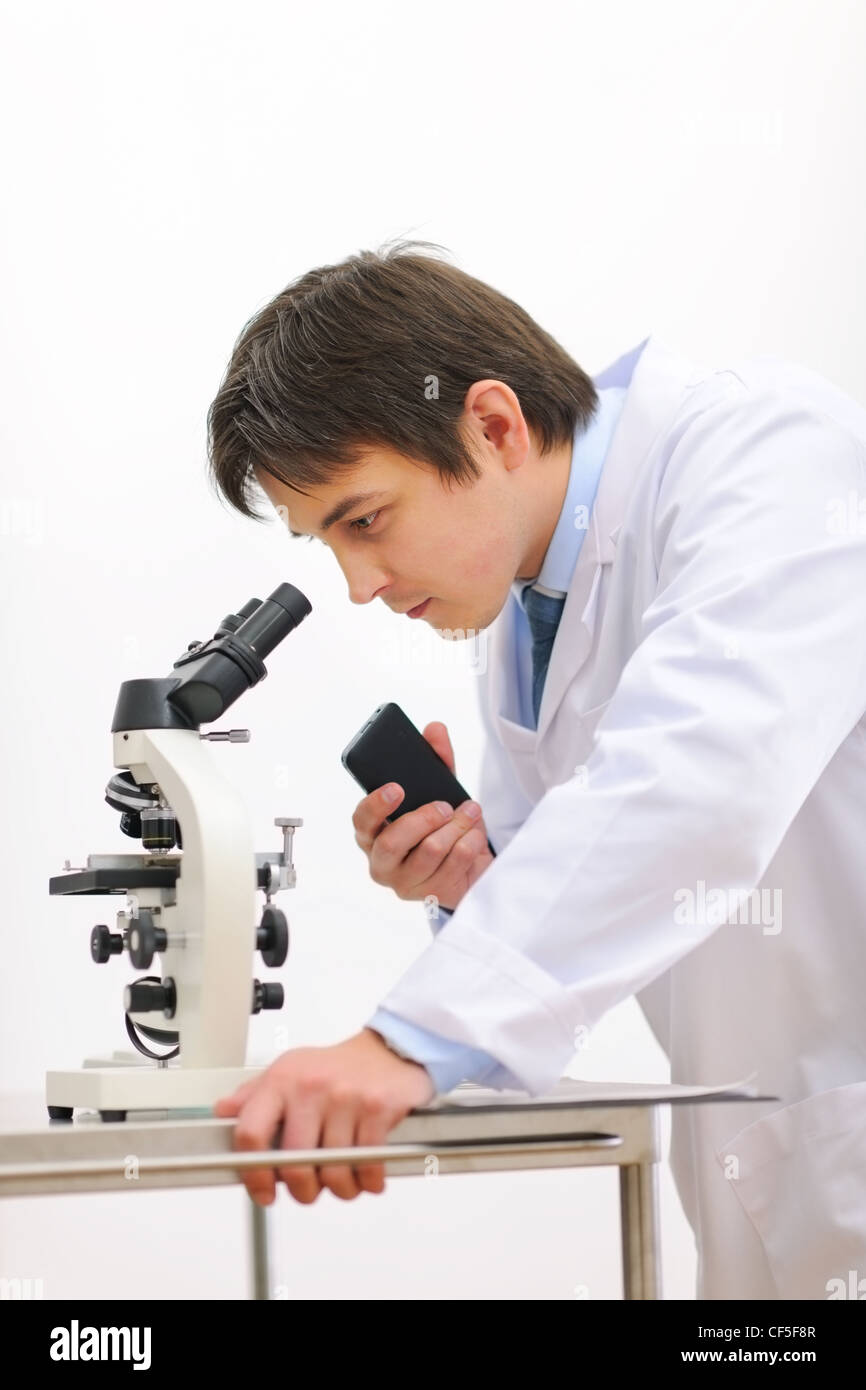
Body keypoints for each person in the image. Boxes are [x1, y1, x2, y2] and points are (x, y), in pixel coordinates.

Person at [208, 239, 866, 1300]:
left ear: (493, 424)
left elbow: (696, 778)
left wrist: (408, 1039)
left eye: (364, 520)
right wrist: (472, 883)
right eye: (324, 543)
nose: (359, 583)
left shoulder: (764, 452)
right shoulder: (521, 619)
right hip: (779, 1185)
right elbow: (603, 891)